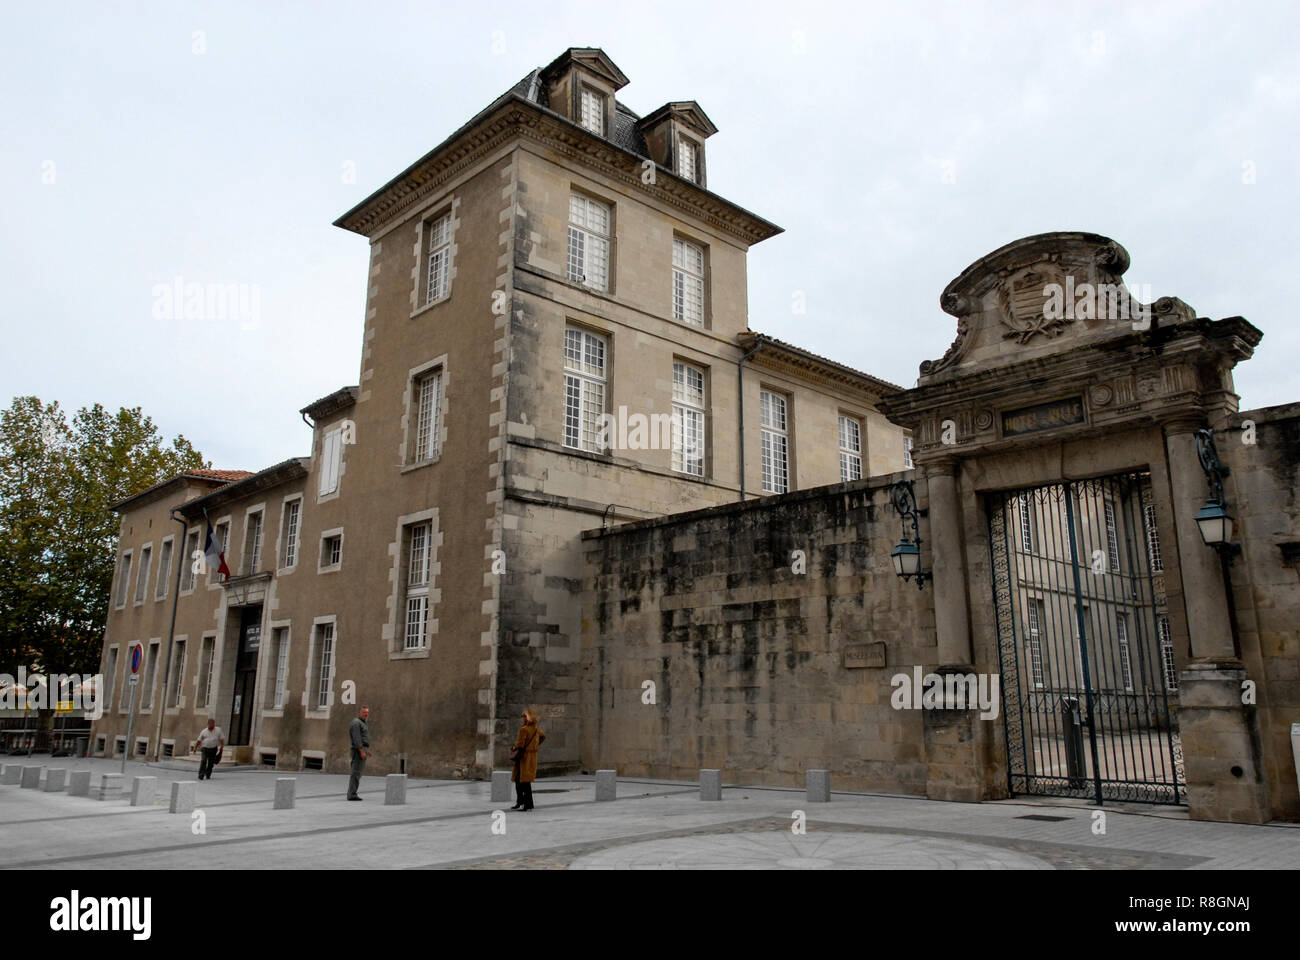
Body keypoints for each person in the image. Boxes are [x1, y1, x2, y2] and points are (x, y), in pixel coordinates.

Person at [509, 708, 546, 811]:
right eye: (523, 716)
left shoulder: (524, 729)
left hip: (524, 758)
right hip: (532, 758)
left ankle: (524, 804)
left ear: (529, 717)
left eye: (525, 716)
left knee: (520, 780)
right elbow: (543, 736)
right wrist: (535, 746)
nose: (523, 718)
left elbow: (520, 744)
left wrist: (513, 748)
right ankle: (526, 803)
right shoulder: (536, 728)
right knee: (525, 781)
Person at [347, 706, 370, 801]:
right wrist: (361, 751)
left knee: (358, 773)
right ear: (360, 713)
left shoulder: (362, 723)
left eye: (367, 713)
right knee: (356, 773)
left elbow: (363, 738)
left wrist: (367, 751)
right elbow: (357, 739)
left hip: (362, 749)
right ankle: (352, 794)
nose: (366, 714)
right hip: (357, 751)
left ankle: (353, 792)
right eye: (364, 712)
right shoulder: (356, 723)